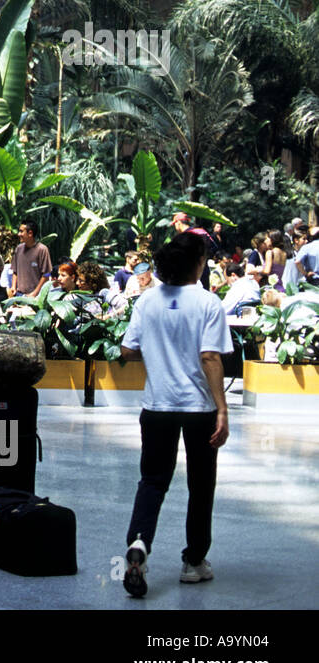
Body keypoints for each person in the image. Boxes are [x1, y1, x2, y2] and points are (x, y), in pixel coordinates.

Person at [119, 232, 232, 597]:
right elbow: (210, 357)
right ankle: (194, 562)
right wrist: (222, 408)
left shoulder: (147, 301)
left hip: (157, 406)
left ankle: (139, 543)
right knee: (201, 486)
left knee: (152, 481)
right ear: (197, 264)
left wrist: (158, 349)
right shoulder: (208, 303)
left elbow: (127, 349)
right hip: (198, 408)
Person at [11, 219, 53, 297]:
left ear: (30, 233)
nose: (18, 234)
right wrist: (13, 286)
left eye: (21, 231)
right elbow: (15, 271)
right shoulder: (18, 249)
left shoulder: (42, 250)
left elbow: (46, 275)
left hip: (36, 296)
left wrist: (34, 293)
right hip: (19, 294)